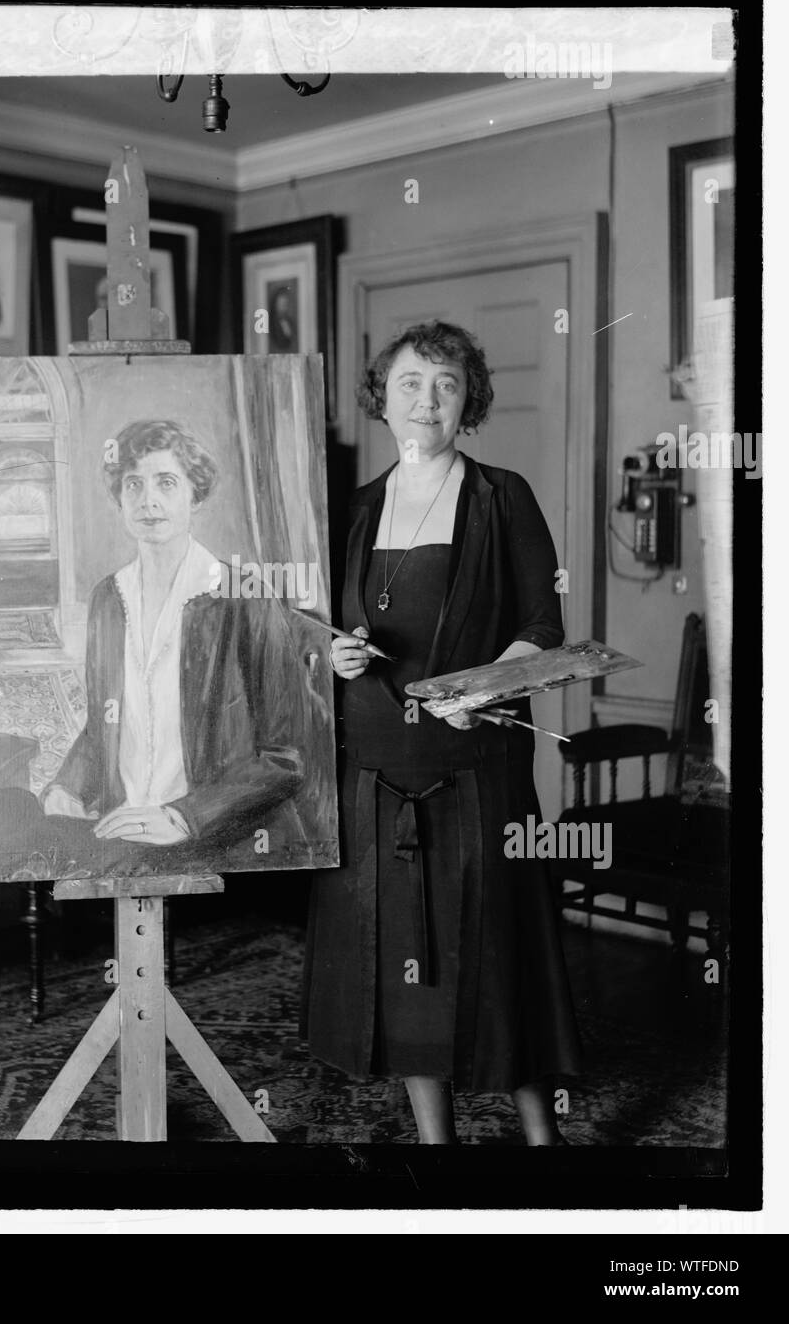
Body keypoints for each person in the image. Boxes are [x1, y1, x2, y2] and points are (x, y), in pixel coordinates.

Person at [300, 320, 583, 1145]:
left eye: (447, 384)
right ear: (382, 401)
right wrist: (336, 654)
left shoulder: (504, 497)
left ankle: (542, 1139)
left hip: (475, 771)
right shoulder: (353, 511)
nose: (428, 399)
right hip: (373, 775)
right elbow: (318, 629)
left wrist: (483, 686)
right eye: (411, 383)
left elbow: (543, 625)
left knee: (499, 957)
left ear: (469, 403)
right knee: (401, 973)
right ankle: (437, 1141)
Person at [42, 418, 307, 856]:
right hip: (121, 827)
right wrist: (66, 787)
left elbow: (285, 758)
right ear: (119, 498)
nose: (148, 501)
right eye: (133, 485)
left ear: (195, 493)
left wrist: (185, 815)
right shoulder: (108, 597)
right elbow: (102, 724)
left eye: (166, 483)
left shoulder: (245, 595)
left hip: (215, 835)